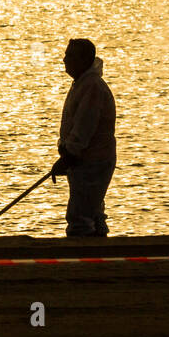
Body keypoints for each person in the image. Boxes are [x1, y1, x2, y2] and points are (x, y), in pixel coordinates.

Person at [49, 38, 117, 236]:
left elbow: (84, 127)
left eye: (69, 55)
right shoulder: (84, 84)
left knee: (80, 216)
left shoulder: (92, 87)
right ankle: (100, 250)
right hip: (86, 160)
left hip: (93, 161)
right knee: (93, 211)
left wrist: (69, 156)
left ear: (83, 59)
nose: (64, 60)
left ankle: (83, 253)